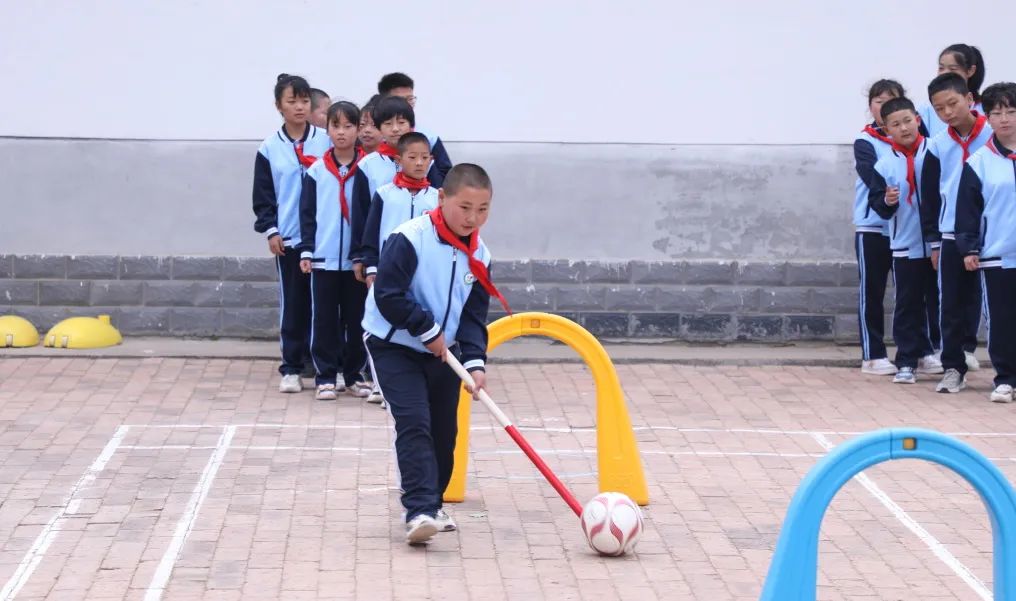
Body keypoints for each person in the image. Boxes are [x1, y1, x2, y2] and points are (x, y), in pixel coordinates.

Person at [361, 163, 511, 544]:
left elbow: (473, 316)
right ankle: (419, 509)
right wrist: (426, 329)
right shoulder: (409, 238)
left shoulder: (480, 254)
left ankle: (434, 501)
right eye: (465, 207)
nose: (472, 218)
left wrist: (475, 362)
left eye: (483, 209)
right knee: (414, 421)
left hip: (445, 354)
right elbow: (388, 294)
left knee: (445, 432)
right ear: (442, 198)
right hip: (393, 345)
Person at [252, 73, 331, 393]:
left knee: (325, 305)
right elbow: (263, 196)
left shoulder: (326, 140)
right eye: (292, 101)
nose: (299, 107)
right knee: (294, 303)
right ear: (279, 106)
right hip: (290, 240)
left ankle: (327, 366)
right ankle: (292, 367)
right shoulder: (269, 148)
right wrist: (272, 230)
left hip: (325, 238)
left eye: (304, 101)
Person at [920, 73, 993, 393]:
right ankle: (953, 366)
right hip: (951, 233)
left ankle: (1005, 371)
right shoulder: (938, 145)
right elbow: (930, 195)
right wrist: (934, 241)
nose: (948, 112)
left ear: (970, 99)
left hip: (993, 231)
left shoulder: (994, 134)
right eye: (939, 109)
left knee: (999, 304)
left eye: (953, 103)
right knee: (950, 303)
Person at [298, 101, 373, 400]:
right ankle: (326, 377)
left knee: (357, 320)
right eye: (335, 126)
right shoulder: (316, 171)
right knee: (324, 320)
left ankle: (354, 375)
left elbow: (370, 214)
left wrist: (364, 254)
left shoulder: (366, 169)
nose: (342, 132)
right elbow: (307, 214)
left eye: (348, 126)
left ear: (358, 130)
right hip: (324, 259)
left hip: (355, 262)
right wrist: (306, 250)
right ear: (326, 129)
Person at [869, 96, 944, 384]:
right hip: (905, 245)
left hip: (938, 244)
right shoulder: (884, 165)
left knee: (938, 301)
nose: (904, 128)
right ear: (886, 130)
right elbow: (878, 204)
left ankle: (937, 353)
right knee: (907, 304)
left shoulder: (936, 151)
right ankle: (907, 361)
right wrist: (887, 201)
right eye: (895, 124)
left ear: (918, 120)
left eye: (907, 121)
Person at [955, 82, 1016, 403]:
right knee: (1002, 321)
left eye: (1011, 111)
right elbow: (968, 209)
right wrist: (969, 247)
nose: (1004, 119)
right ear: (987, 117)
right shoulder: (979, 161)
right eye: (997, 113)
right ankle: (1005, 379)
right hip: (998, 255)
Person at [854, 79, 905, 376]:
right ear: (870, 106)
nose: (884, 106)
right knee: (871, 293)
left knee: (910, 293)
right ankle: (872, 355)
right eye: (878, 101)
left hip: (906, 228)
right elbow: (871, 175)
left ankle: (913, 351)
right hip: (873, 227)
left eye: (891, 100)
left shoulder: (914, 138)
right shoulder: (865, 141)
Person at [377, 72, 453, 187]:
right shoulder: (374, 136)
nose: (407, 104)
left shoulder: (428, 137)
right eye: (400, 100)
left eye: (410, 99)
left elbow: (446, 174)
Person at [918, 44, 986, 137]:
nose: (944, 73)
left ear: (971, 71)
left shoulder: (986, 108)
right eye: (941, 68)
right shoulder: (926, 109)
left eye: (953, 69)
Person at [358, 95, 414, 197]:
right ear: (379, 128)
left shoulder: (424, 162)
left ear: (411, 126)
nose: (395, 129)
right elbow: (361, 204)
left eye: (401, 122)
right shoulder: (366, 165)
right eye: (388, 123)